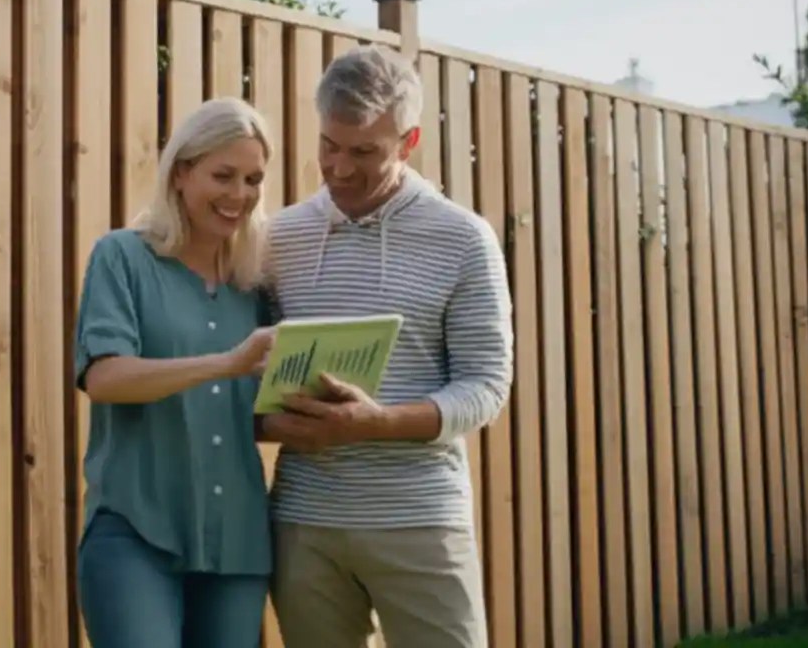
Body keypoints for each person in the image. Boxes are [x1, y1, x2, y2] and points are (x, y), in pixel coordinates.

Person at [259, 45, 513, 648]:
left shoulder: (464, 239)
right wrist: (274, 423)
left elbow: (486, 387)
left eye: (364, 151)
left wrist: (373, 423)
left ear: (409, 140)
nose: (340, 168)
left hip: (421, 520)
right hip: (305, 524)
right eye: (329, 145)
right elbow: (250, 380)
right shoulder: (280, 239)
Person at [73, 97, 279, 648]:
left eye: (254, 179)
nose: (240, 195)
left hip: (236, 544)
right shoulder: (122, 259)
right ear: (182, 173)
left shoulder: (255, 283)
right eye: (224, 175)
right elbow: (106, 378)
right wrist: (227, 363)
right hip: (135, 532)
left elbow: (259, 413)